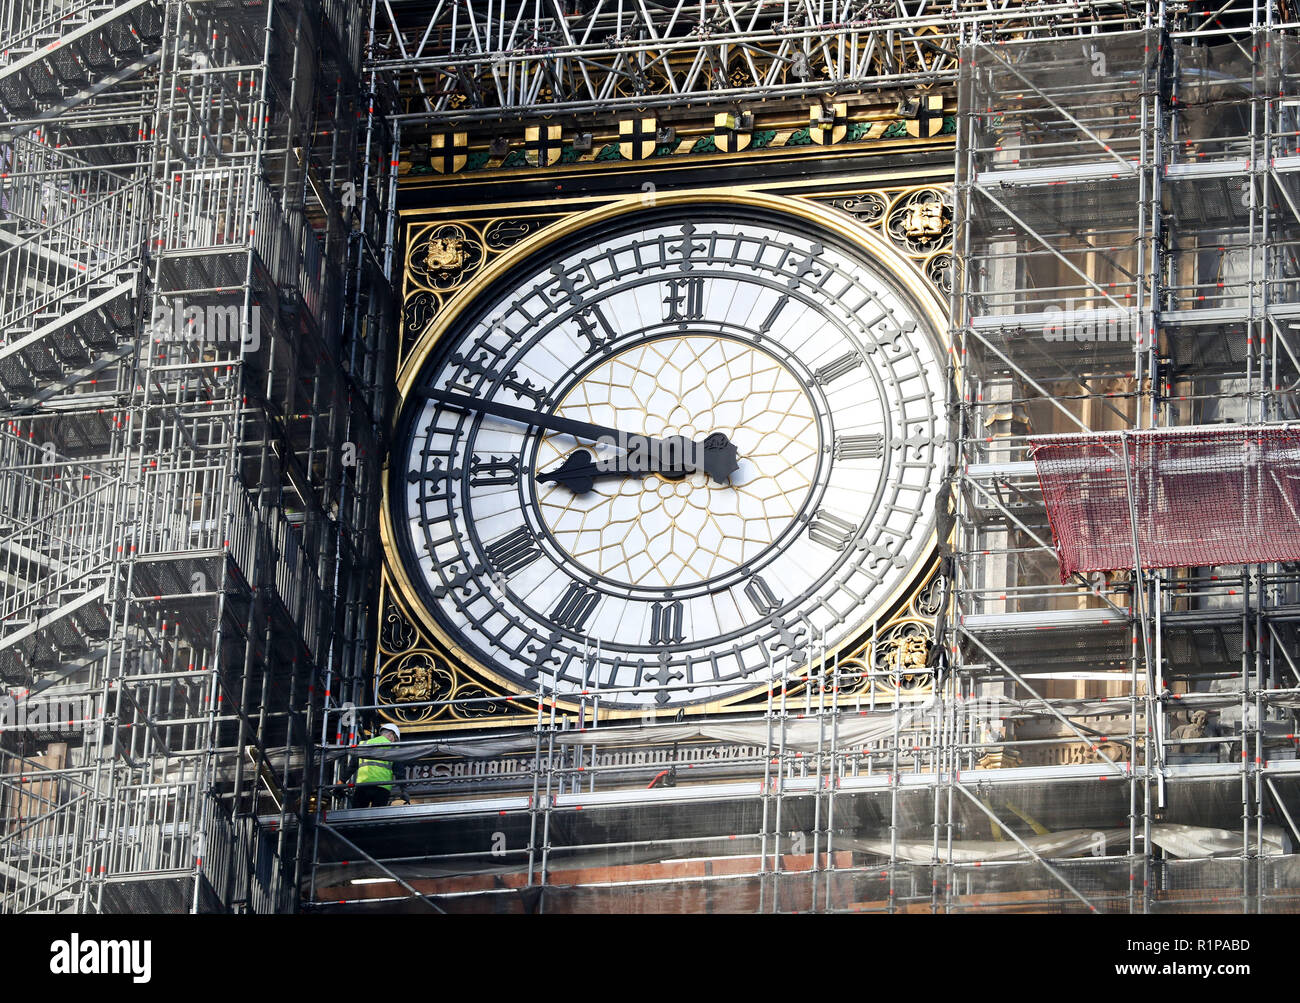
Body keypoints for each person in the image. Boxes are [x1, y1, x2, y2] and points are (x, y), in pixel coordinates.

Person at [354, 723, 404, 808]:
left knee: (357, 814)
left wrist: (341, 781)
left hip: (363, 785)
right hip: (382, 788)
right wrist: (403, 790)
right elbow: (398, 771)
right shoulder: (393, 749)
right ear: (391, 735)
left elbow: (352, 765)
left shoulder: (363, 744)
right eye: (395, 739)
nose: (394, 742)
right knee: (377, 816)